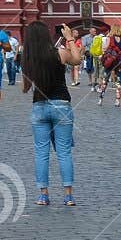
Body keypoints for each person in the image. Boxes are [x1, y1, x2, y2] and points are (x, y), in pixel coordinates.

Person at [22, 21, 80, 206]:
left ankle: (43, 195)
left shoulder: (28, 59)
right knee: (63, 153)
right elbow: (77, 59)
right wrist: (69, 38)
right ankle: (68, 195)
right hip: (61, 105)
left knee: (41, 153)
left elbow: (26, 88)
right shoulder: (59, 53)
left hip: (39, 107)